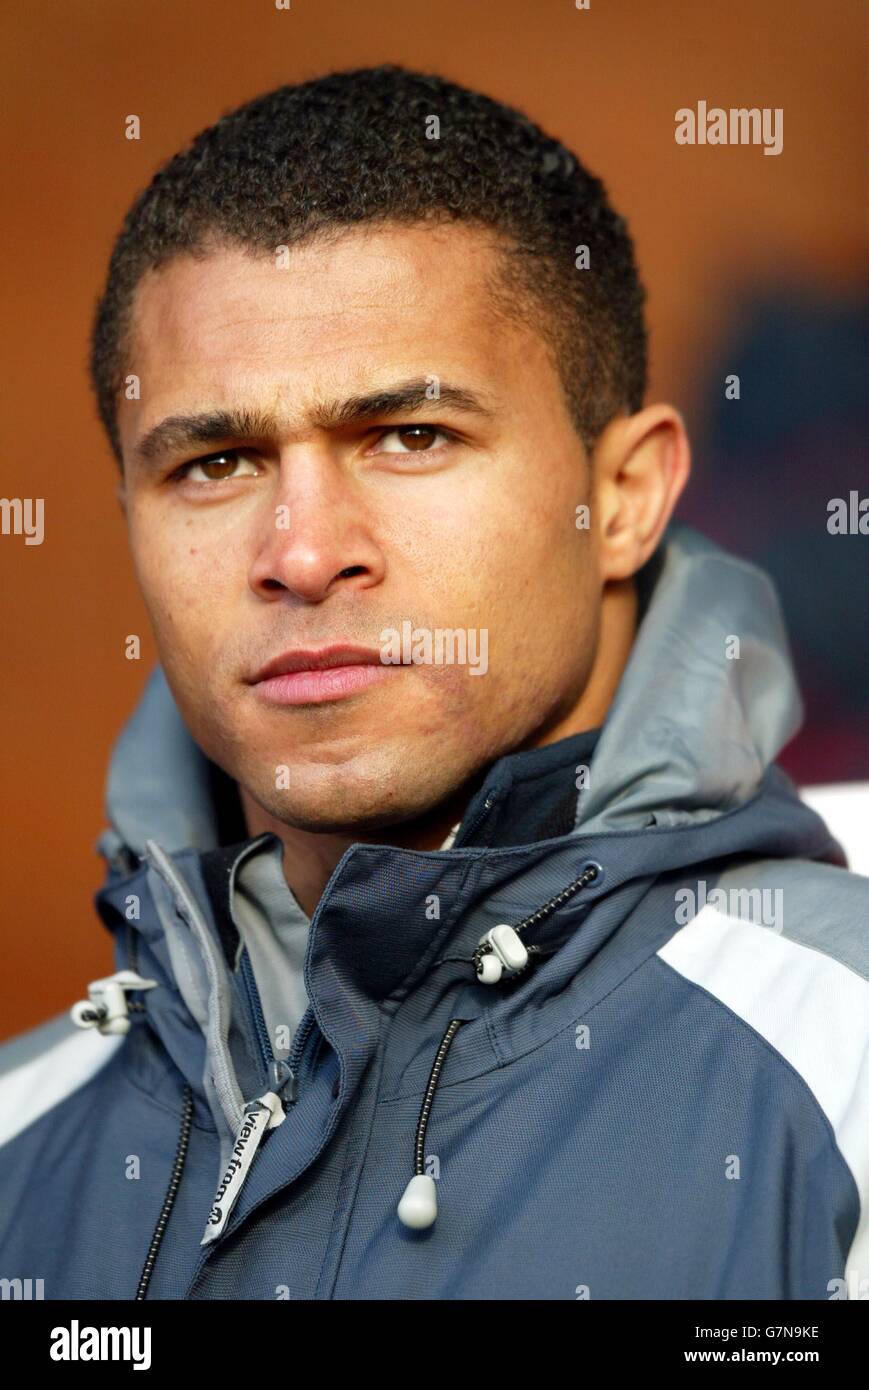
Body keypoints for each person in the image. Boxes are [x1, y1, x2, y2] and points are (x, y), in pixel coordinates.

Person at [1, 64, 866, 1302]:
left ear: (620, 498)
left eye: (410, 437)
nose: (301, 551)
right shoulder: (16, 1142)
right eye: (216, 463)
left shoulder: (842, 1060)